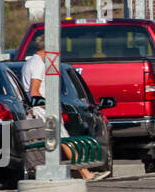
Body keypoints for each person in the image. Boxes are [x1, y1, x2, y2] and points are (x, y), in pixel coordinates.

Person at [21, 36, 102, 182]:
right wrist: (49, 106)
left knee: (64, 140)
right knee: (66, 141)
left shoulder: (30, 62)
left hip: (40, 110)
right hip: (44, 111)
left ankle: (85, 172)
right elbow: (34, 91)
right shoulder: (39, 64)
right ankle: (85, 173)